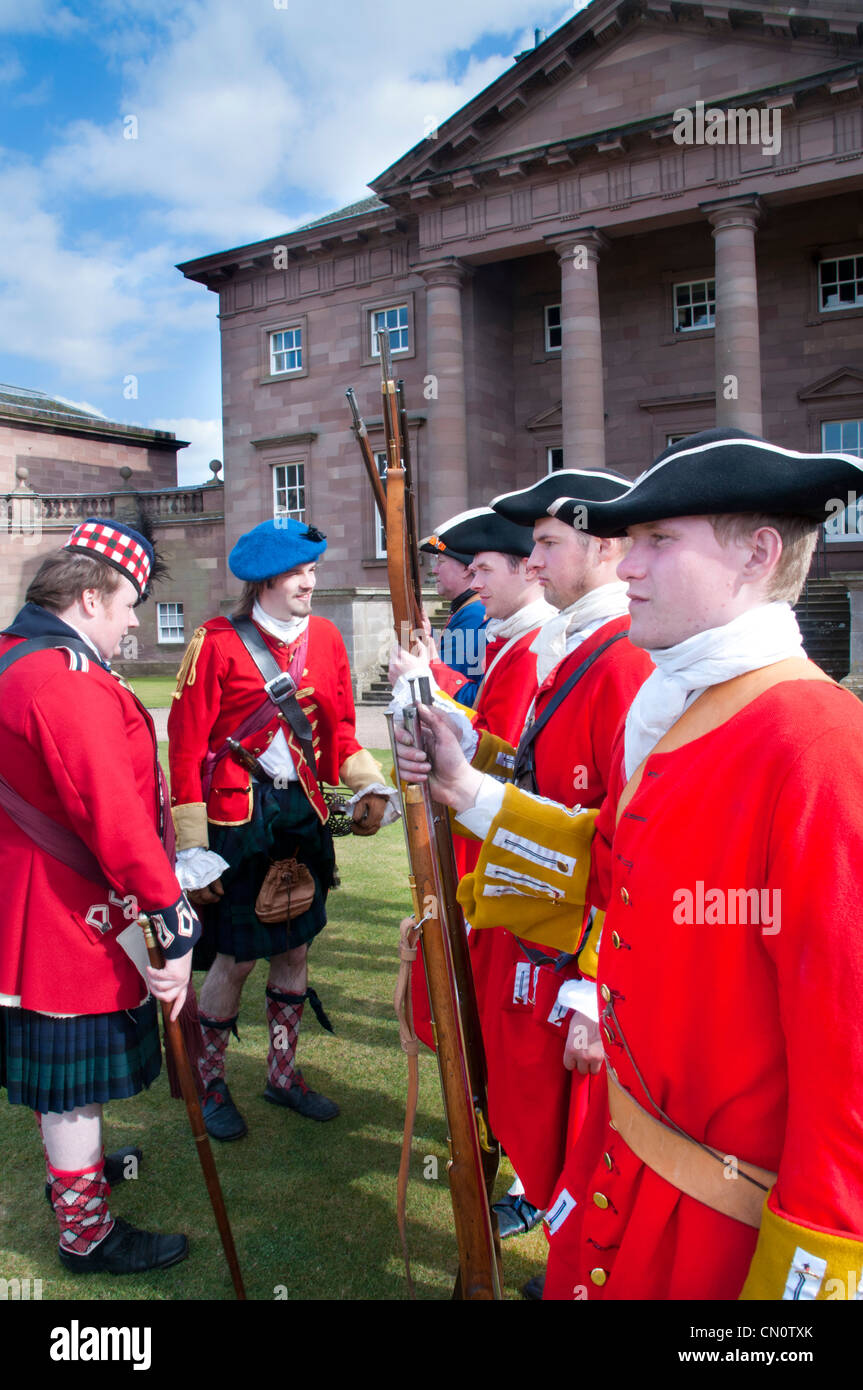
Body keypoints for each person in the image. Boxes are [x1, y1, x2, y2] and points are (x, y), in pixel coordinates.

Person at [395, 428, 863, 1301]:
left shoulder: (818, 746)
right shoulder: (685, 705)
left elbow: (850, 1057)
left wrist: (811, 1282)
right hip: (632, 1165)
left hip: (725, 1223)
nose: (629, 567)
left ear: (758, 554)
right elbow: (608, 873)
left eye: (657, 542)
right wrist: (466, 789)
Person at [0, 517, 199, 1274]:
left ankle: (73, 1178)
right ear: (88, 599)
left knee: (67, 1083)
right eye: (125, 607)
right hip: (60, 912)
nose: (130, 624)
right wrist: (169, 916)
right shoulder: (60, 677)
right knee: (74, 1083)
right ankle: (84, 1233)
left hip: (32, 896)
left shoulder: (13, 657)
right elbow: (112, 814)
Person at [461, 469, 652, 1247]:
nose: (531, 563)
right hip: (541, 916)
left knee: (575, 1139)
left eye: (546, 543)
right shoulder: (583, 643)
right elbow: (542, 776)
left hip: (573, 942)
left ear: (603, 546)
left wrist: (594, 983)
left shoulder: (622, 659)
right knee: (531, 1109)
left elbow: (630, 837)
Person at [168, 518, 397, 1141]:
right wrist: (191, 844)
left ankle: (280, 1073)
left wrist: (369, 782)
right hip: (237, 820)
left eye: (313, 570)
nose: (309, 582)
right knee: (238, 959)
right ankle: (210, 1081)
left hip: (301, 815)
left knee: (296, 947)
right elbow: (185, 747)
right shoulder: (213, 641)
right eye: (298, 573)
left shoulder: (326, 636)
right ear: (265, 580)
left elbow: (342, 731)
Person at [418, 527, 487, 706]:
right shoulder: (467, 608)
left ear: (465, 568)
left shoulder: (474, 613)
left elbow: (455, 689)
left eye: (440, 562)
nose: (434, 570)